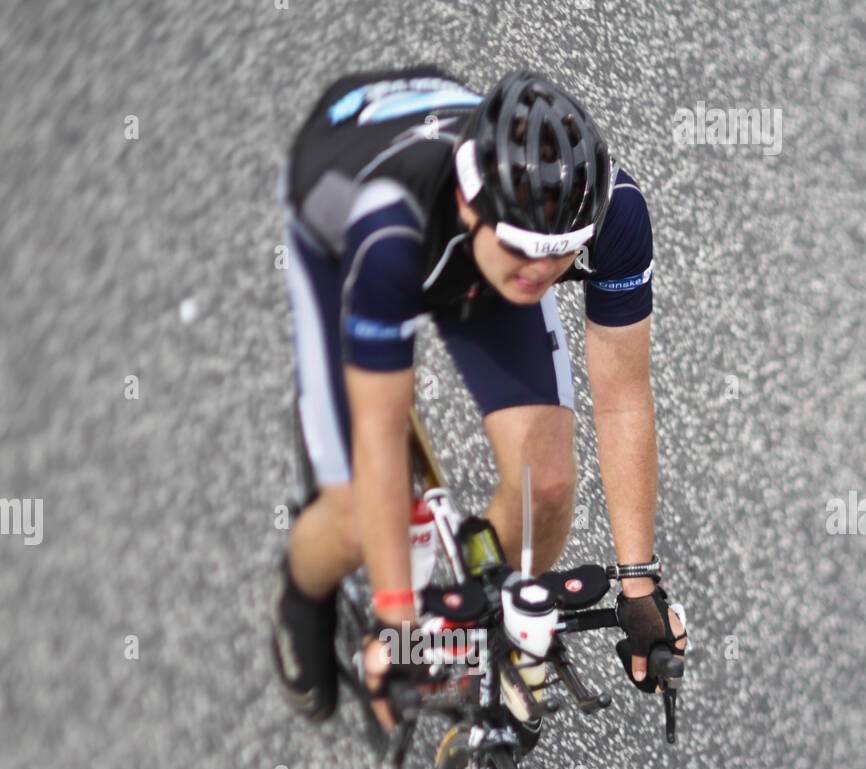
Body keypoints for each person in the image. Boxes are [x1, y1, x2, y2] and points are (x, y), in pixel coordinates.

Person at [272, 65, 686, 733]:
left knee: (545, 487)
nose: (542, 273)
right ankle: (298, 590)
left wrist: (639, 583)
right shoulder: (387, 232)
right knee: (357, 514)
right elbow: (381, 433)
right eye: (526, 250)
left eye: (562, 256)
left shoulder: (611, 214)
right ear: (471, 204)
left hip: (470, 238)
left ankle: (478, 600)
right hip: (344, 212)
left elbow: (623, 398)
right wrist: (396, 623)